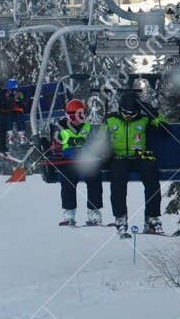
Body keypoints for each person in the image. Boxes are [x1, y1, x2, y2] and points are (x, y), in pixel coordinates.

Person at [105, 88, 164, 236]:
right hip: (119, 155)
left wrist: (154, 114)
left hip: (141, 154)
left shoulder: (144, 119)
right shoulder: (111, 119)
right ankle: (120, 216)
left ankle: (152, 217)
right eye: (125, 113)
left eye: (132, 113)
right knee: (117, 176)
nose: (129, 116)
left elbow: (165, 130)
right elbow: (100, 139)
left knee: (152, 174)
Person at [48, 97, 104, 226]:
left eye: (79, 115)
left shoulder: (89, 128)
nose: (75, 120)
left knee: (94, 177)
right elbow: (56, 146)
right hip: (68, 162)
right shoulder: (61, 128)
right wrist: (57, 151)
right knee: (67, 180)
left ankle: (94, 212)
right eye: (71, 116)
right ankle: (69, 213)